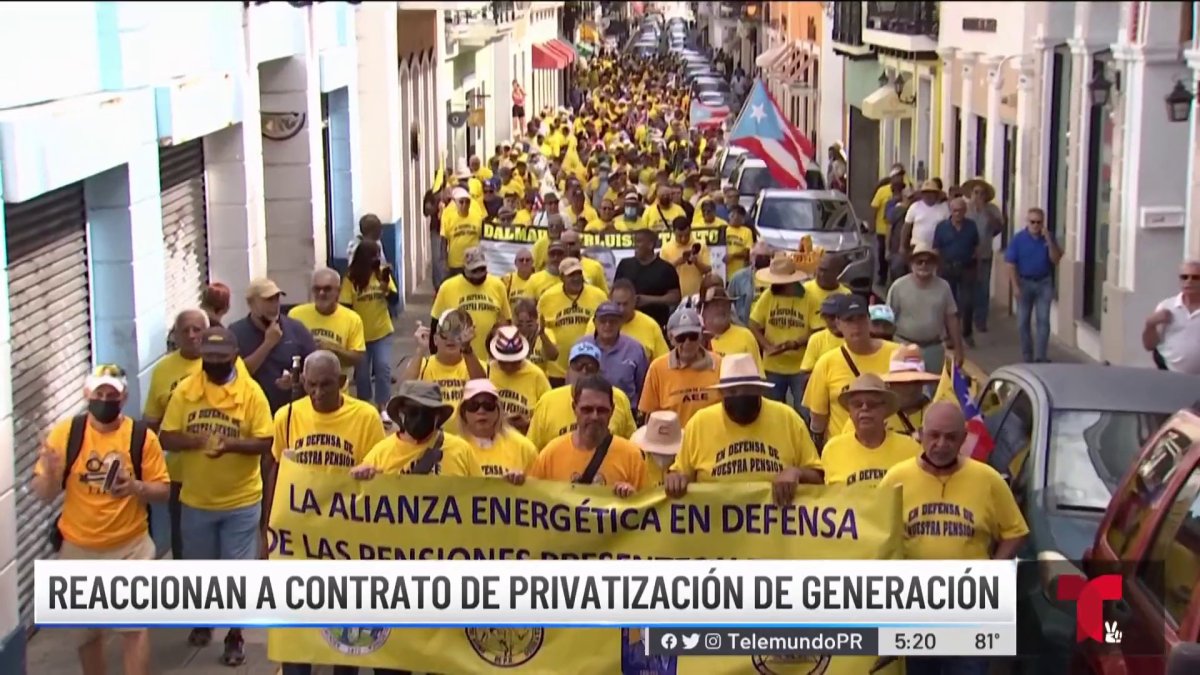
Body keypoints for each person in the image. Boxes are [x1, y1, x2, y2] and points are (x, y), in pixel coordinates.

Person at [32, 364, 170, 675]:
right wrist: (52, 472)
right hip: (79, 549)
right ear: (86, 394)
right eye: (99, 393)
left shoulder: (140, 437)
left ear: (124, 397)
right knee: (87, 634)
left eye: (112, 394)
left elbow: (163, 490)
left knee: (134, 629)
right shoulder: (67, 433)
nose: (105, 400)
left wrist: (134, 486)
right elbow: (43, 493)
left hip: (131, 548)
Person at [878, 402, 1028, 675]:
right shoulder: (895, 479)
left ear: (963, 438)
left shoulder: (988, 480)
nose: (941, 444)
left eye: (950, 437)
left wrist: (995, 568)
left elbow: (1015, 531)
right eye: (934, 435)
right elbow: (876, 536)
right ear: (921, 435)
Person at [158, 328, 273, 665]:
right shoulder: (187, 390)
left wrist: (230, 445)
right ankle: (204, 621)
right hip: (196, 500)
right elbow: (166, 436)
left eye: (222, 360)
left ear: (235, 355)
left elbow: (266, 442)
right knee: (200, 568)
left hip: (241, 500)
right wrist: (196, 441)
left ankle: (234, 635)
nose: (215, 365)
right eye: (209, 360)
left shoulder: (251, 393)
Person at [270, 352, 386, 675]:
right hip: (299, 540)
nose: (317, 393)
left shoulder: (365, 417)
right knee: (296, 632)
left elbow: (377, 478)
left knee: (343, 637)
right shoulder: (287, 416)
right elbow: (275, 474)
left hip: (344, 540)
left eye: (325, 385)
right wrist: (266, 530)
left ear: (343, 383)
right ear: (303, 382)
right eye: (311, 385)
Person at [144, 309, 251, 562]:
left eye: (197, 329)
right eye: (185, 330)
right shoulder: (163, 370)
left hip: (228, 482)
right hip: (182, 479)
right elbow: (152, 423)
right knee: (189, 553)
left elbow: (249, 412)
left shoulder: (232, 364)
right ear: (176, 336)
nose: (192, 335)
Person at [664, 354, 822, 506]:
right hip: (716, 528)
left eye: (748, 390)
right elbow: (680, 473)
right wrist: (675, 479)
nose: (741, 396)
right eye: (733, 391)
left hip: (776, 529)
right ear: (721, 393)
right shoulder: (700, 423)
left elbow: (819, 477)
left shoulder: (788, 419)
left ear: (760, 391)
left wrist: (797, 473)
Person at [803, 296, 900, 449]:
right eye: (849, 320)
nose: (856, 326)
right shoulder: (826, 362)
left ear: (869, 320)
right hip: (845, 450)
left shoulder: (897, 354)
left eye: (860, 318)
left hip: (891, 447)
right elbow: (818, 420)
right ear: (838, 324)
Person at [526, 374, 646, 494]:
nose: (595, 416)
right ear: (574, 408)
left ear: (612, 410)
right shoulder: (551, 454)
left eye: (602, 410)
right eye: (587, 410)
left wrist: (633, 497)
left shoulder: (632, 457)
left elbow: (648, 504)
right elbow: (531, 498)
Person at [351, 381, 484, 478]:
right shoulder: (380, 454)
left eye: (427, 411)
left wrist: (504, 485)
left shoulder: (461, 450)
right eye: (413, 410)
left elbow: (485, 494)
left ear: (437, 415)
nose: (420, 417)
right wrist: (361, 477)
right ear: (401, 412)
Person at [228, 277, 317, 415]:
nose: (274, 305)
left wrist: (296, 379)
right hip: (250, 412)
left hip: (291, 411)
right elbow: (234, 374)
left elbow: (316, 369)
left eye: (277, 299)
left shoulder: (295, 328)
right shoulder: (236, 332)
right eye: (268, 300)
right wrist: (268, 344)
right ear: (251, 303)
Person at [528, 342, 637, 449]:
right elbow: (533, 449)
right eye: (578, 366)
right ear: (568, 371)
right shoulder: (548, 401)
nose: (584, 371)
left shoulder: (618, 398)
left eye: (590, 367)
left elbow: (632, 443)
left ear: (599, 372)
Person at [821, 374, 922, 486]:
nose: (864, 408)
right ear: (850, 412)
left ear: (885, 410)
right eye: (857, 404)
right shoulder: (832, 450)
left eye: (872, 404)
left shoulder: (911, 448)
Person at [339, 241, 400, 410]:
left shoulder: (382, 274)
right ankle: (364, 405)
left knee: (383, 368)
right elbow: (345, 307)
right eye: (373, 256)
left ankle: (384, 405)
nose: (377, 259)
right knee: (362, 375)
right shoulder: (350, 280)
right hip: (360, 335)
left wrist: (386, 290)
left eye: (378, 255)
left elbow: (395, 301)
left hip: (382, 331)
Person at [749, 254, 814, 411]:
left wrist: (795, 343)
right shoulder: (768, 296)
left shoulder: (809, 299)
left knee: (803, 410)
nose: (774, 284)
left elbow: (815, 330)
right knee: (772, 410)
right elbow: (753, 323)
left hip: (801, 366)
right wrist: (767, 346)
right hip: (772, 366)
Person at [887, 243, 963, 375]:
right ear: (911, 264)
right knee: (905, 389)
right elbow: (887, 320)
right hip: (904, 347)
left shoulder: (943, 287)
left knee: (934, 390)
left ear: (934, 265)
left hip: (933, 349)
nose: (923, 265)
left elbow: (951, 318)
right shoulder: (898, 287)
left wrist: (959, 349)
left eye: (928, 262)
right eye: (919, 261)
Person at [640, 307, 722, 427]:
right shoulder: (657, 368)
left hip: (711, 440)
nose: (687, 342)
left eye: (693, 336)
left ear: (701, 336)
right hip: (673, 442)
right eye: (681, 338)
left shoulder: (719, 364)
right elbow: (649, 416)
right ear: (671, 338)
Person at [288, 268, 366, 393]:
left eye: (327, 289)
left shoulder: (352, 319)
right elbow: (287, 351)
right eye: (317, 289)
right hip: (303, 392)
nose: (322, 293)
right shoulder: (296, 314)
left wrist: (332, 348)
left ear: (338, 292)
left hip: (337, 392)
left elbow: (358, 359)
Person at [538, 257, 607, 384]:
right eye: (571, 275)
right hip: (557, 370)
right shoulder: (547, 298)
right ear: (561, 278)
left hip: (589, 369)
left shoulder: (599, 296)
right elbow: (542, 329)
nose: (576, 278)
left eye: (578, 273)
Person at [431, 247, 512, 356]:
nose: (479, 274)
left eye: (482, 269)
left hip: (491, 359)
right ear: (464, 268)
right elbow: (435, 324)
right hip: (457, 361)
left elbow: (507, 322)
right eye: (474, 270)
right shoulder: (447, 287)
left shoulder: (498, 286)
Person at [1006, 207, 1062, 363]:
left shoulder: (1048, 238)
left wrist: (1049, 241)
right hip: (1024, 282)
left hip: (1044, 282)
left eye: (1039, 222)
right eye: (1032, 222)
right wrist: (1015, 286)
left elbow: (1056, 260)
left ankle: (1040, 356)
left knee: (1043, 320)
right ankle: (1027, 355)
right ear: (1027, 222)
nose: (1036, 226)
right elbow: (1010, 264)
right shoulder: (1018, 239)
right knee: (1023, 322)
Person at [406, 308, 488, 415]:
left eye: (456, 335)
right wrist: (420, 349)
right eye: (445, 335)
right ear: (435, 339)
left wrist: (467, 348)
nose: (451, 339)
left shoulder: (476, 365)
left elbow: (482, 388)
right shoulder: (422, 365)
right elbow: (404, 389)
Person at [456, 379, 538, 479]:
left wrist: (523, 482)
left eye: (488, 405)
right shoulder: (455, 450)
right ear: (463, 411)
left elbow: (540, 487)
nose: (481, 411)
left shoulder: (524, 448)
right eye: (473, 406)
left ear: (498, 410)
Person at [932, 197, 981, 347]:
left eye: (960, 210)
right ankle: (949, 336)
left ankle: (967, 333)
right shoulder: (941, 227)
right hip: (947, 268)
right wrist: (935, 269)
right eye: (955, 210)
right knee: (948, 304)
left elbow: (976, 247)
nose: (958, 213)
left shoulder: (971, 226)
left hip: (967, 268)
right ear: (950, 211)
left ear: (965, 211)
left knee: (967, 302)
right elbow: (936, 248)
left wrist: (976, 266)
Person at [581, 301, 649, 406]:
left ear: (621, 323)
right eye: (603, 321)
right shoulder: (581, 346)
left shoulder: (635, 348)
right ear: (594, 322)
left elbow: (643, 387)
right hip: (590, 409)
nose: (608, 325)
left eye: (613, 321)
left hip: (626, 409)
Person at [486, 326, 551, 434]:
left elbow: (548, 413)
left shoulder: (536, 375)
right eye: (504, 362)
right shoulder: (487, 371)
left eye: (514, 362)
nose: (509, 367)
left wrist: (529, 423)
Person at [586, 278, 670, 362]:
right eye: (618, 304)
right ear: (610, 301)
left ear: (634, 302)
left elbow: (664, 361)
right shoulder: (598, 322)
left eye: (625, 304)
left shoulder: (651, 326)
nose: (621, 309)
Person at [614, 228, 682, 328]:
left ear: (650, 245)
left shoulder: (666, 268)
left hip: (656, 323)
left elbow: (675, 297)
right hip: (626, 324)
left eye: (639, 242)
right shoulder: (625, 264)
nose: (635, 245)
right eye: (634, 242)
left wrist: (649, 300)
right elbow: (614, 290)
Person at [962, 178, 1005, 332]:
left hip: (984, 254)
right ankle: (964, 319)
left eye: (982, 193)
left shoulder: (992, 209)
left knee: (982, 288)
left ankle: (980, 320)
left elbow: (998, 228)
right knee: (966, 288)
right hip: (966, 254)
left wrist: (986, 212)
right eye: (976, 192)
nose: (979, 196)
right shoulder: (965, 209)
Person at [1142, 259, 1200, 374]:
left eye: (1195, 277)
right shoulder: (1167, 306)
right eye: (1184, 277)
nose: (1189, 281)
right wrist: (1150, 324)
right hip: (1169, 373)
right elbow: (1149, 346)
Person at [879, 344, 943, 436]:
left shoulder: (936, 415)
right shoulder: (878, 416)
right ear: (890, 385)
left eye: (917, 382)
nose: (912, 388)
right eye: (904, 383)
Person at [702, 286, 762, 375]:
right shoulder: (694, 338)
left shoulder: (745, 336)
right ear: (704, 310)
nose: (721, 309)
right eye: (716, 305)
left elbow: (758, 375)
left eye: (725, 305)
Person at [660, 216, 712, 298]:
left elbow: (708, 270)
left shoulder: (700, 245)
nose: (683, 239)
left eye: (687, 235)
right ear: (673, 232)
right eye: (679, 236)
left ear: (691, 231)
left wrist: (697, 262)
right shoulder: (665, 248)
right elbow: (662, 274)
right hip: (675, 296)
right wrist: (677, 262)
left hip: (697, 294)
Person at [632, 410, 683, 489]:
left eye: (666, 454)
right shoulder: (636, 464)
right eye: (657, 453)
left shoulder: (686, 465)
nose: (662, 458)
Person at [870, 169, 905, 283]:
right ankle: (883, 276)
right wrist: (872, 224)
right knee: (882, 252)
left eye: (901, 176)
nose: (899, 179)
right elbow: (875, 208)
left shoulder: (907, 192)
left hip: (898, 233)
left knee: (895, 257)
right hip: (882, 229)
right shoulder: (882, 191)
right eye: (897, 176)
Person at [440, 186, 485, 276]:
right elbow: (444, 240)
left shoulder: (477, 216)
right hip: (456, 263)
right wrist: (444, 260)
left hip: (474, 262)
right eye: (461, 202)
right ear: (456, 203)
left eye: (467, 202)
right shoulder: (448, 217)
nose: (464, 205)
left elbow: (482, 238)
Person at [800, 295, 848, 373]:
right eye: (825, 317)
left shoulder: (859, 338)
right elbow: (806, 372)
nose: (832, 322)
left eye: (834, 317)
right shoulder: (816, 339)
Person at [512, 298, 559, 376]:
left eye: (529, 324)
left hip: (539, 380)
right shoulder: (509, 333)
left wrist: (542, 335)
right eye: (520, 324)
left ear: (536, 320)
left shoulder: (545, 333)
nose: (524, 328)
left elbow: (553, 356)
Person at [729, 241, 771, 326]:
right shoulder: (738, 278)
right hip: (745, 327)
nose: (763, 259)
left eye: (766, 256)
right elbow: (729, 304)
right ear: (751, 257)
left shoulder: (776, 279)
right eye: (759, 256)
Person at [901, 180, 950, 253]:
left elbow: (949, 227)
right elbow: (906, 227)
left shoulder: (944, 208)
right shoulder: (914, 207)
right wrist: (902, 246)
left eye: (931, 192)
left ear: (936, 194)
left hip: (937, 248)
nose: (928, 195)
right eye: (925, 192)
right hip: (917, 246)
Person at [803, 255, 850, 330]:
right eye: (820, 270)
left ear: (837, 272)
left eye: (826, 271)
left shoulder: (846, 295)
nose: (822, 274)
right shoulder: (804, 290)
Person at [723, 205, 756, 277]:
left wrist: (733, 256)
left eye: (738, 215)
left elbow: (747, 253)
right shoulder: (723, 229)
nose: (735, 217)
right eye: (733, 215)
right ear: (729, 216)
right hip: (723, 272)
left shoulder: (747, 232)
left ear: (743, 219)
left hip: (739, 273)